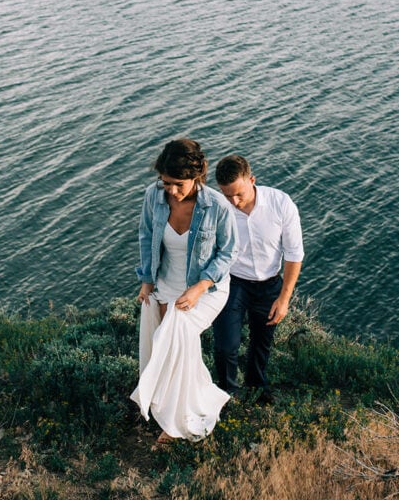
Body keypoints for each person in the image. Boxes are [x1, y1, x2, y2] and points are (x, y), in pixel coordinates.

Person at [130, 138, 237, 444]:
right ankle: (171, 405)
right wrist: (147, 281)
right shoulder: (154, 196)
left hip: (207, 289)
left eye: (178, 184)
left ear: (196, 177)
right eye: (166, 183)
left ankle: (177, 422)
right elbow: (146, 234)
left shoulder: (216, 206)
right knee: (170, 348)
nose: (171, 191)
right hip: (166, 284)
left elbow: (228, 253)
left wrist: (199, 287)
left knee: (175, 338)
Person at [212, 155, 303, 405]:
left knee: (262, 342)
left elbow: (294, 254)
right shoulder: (220, 208)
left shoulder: (281, 203)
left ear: (252, 180)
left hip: (269, 284)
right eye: (227, 195)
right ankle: (228, 394)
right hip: (232, 283)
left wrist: (284, 299)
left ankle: (257, 388)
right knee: (225, 346)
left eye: (238, 194)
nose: (234, 201)